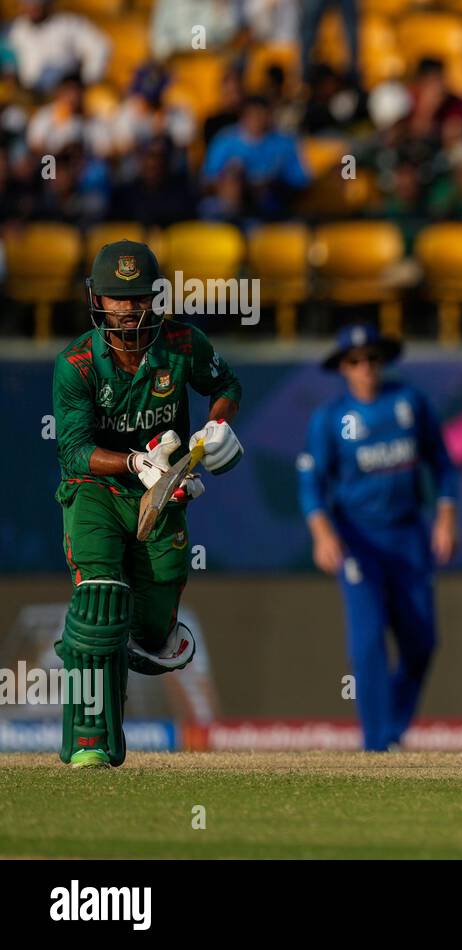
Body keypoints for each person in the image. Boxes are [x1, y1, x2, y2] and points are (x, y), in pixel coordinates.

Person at [52, 240, 244, 768]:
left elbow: (225, 383)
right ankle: (90, 742)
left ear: (154, 298)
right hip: (97, 491)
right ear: (97, 298)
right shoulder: (76, 363)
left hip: (165, 494)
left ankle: (119, 643)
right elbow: (74, 452)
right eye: (116, 298)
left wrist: (216, 426)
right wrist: (136, 463)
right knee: (99, 601)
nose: (127, 308)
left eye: (136, 297)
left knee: (154, 631)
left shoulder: (181, 343)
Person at [298, 324, 459, 751]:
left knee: (422, 642)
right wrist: (322, 533)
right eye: (355, 361)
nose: (365, 368)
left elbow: (442, 464)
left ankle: (393, 727)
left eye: (372, 358)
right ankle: (376, 744)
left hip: (408, 534)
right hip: (358, 539)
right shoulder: (330, 419)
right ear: (343, 368)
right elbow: (311, 482)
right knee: (368, 641)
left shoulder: (409, 403)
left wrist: (445, 517)